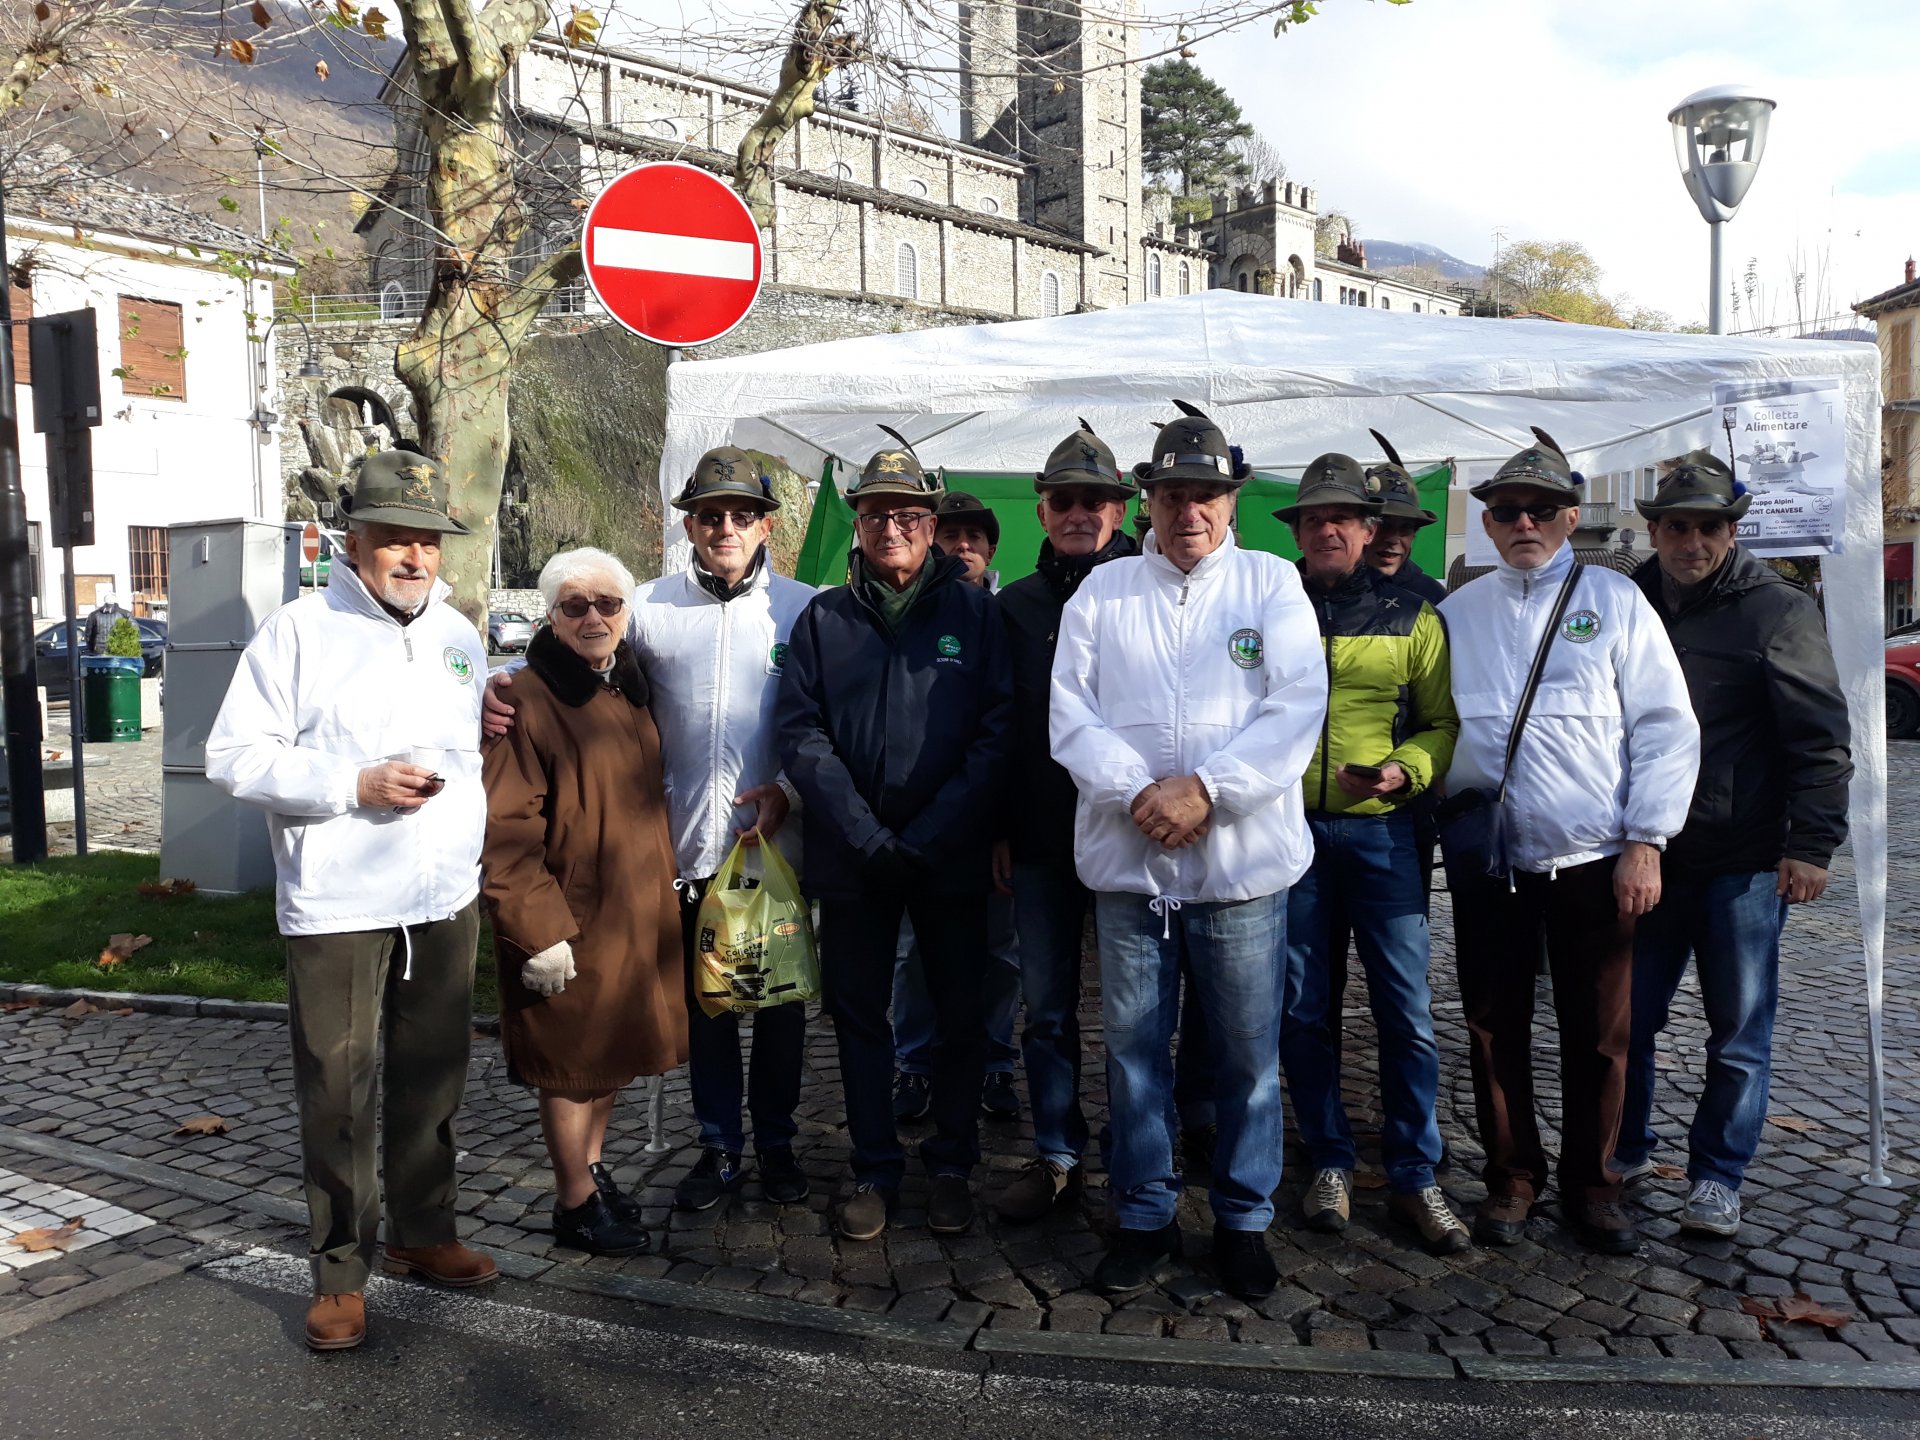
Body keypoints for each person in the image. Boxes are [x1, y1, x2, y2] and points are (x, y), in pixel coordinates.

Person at [205, 451, 497, 1352]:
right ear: (354, 540)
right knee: (338, 1087)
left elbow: (467, 735)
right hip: (340, 900)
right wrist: (352, 781)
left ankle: (423, 1232)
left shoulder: (457, 632)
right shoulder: (300, 631)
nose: (415, 556)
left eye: (428, 539)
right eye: (395, 538)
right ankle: (338, 1269)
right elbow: (234, 757)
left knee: (434, 1076)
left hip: (443, 894)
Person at [485, 449, 816, 1214]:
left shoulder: (806, 608)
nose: (724, 528)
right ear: (689, 526)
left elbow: (819, 723)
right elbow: (580, 672)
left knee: (779, 1008)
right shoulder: (651, 608)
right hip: (682, 849)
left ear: (767, 524)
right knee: (707, 1010)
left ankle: (776, 1141)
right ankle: (717, 1145)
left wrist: (793, 792)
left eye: (740, 515)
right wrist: (500, 691)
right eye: (708, 516)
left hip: (778, 850)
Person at [1051, 404, 1327, 1299]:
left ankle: (1244, 1219)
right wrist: (1140, 791)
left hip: (1241, 869)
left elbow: (1296, 710)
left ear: (1232, 499)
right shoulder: (1101, 593)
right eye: (1172, 494)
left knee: (1248, 1054)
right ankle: (1146, 1214)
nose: (1188, 512)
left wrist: (1206, 788)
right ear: (1150, 500)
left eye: (1205, 494)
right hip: (1130, 866)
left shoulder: (1273, 586)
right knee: (1133, 1053)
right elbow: (1071, 715)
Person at [1439, 429, 1699, 1255]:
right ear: (1487, 524)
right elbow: (1435, 728)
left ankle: (1595, 1184)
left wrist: (1647, 839)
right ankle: (1512, 1178)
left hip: (1594, 854)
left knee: (1602, 1033)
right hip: (1494, 861)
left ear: (1569, 516)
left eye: (1541, 510)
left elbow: (1665, 726)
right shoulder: (1457, 612)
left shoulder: (1616, 601)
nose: (1524, 523)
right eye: (1508, 510)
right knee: (1491, 1025)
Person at [776, 439, 1012, 1241]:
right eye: (876, 514)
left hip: (948, 860)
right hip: (856, 861)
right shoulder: (825, 618)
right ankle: (873, 1166)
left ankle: (952, 1163)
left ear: (931, 523)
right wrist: (868, 834)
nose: (892, 528)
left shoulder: (976, 616)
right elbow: (800, 734)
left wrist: (936, 830)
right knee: (859, 1017)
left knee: (957, 1016)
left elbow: (996, 733)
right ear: (859, 524)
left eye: (908, 514)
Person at [1614, 452, 1852, 1237]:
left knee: (1738, 1034)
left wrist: (1810, 845)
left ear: (1732, 530)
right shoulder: (1628, 597)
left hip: (1743, 862)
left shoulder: (1776, 609)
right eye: (1676, 526)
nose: (1691, 540)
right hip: (1647, 854)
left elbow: (1819, 739)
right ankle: (1625, 1149)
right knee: (1627, 1020)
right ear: (1653, 529)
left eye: (1707, 526)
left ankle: (1718, 1176)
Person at [1273, 453, 1468, 1255]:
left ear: (1365, 530)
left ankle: (1416, 1171)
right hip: (1287, 835)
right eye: (1313, 518)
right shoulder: (1268, 605)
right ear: (1299, 530)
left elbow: (1442, 724)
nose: (1326, 530)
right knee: (1302, 1007)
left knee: (1405, 1011)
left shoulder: (1415, 615)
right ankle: (1328, 1158)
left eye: (1340, 519)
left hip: (1384, 832)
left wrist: (1406, 770)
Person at [481, 547, 686, 1256]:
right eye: (575, 605)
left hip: (630, 915)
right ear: (551, 614)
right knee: (570, 1067)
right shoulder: (526, 699)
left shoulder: (625, 688)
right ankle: (574, 1202)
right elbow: (505, 828)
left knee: (607, 1059)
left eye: (607, 604)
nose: (593, 616)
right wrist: (535, 930)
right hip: (564, 918)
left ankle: (592, 1174)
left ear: (627, 614)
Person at [988, 424, 1139, 1220]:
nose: (1081, 513)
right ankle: (1056, 1151)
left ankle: (1132, 1153)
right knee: (1045, 1010)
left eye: (1096, 501)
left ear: (1118, 511)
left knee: (1133, 1013)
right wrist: (1002, 829)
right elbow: (1001, 729)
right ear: (1043, 512)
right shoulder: (1013, 606)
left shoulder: (1149, 591)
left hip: (1127, 835)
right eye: (1066, 501)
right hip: (1044, 838)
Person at [893, 489, 1023, 1125]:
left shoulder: (1008, 615)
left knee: (1001, 955)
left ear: (993, 550)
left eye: (975, 538)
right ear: (931, 541)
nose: (963, 547)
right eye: (953, 536)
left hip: (993, 823)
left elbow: (1009, 730)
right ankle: (915, 1064)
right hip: (924, 825)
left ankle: (996, 1062)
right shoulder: (912, 617)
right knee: (915, 954)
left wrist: (1003, 826)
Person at [1359, 431, 1447, 607]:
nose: (1393, 539)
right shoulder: (1329, 591)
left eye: (1406, 527)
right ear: (1363, 529)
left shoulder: (1434, 597)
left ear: (1414, 534)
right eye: (1383, 524)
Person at [84, 589, 131, 654]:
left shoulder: (93, 615)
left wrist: (91, 649)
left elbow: (88, 635)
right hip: (119, 650)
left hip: (99, 651)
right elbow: (134, 631)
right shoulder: (125, 614)